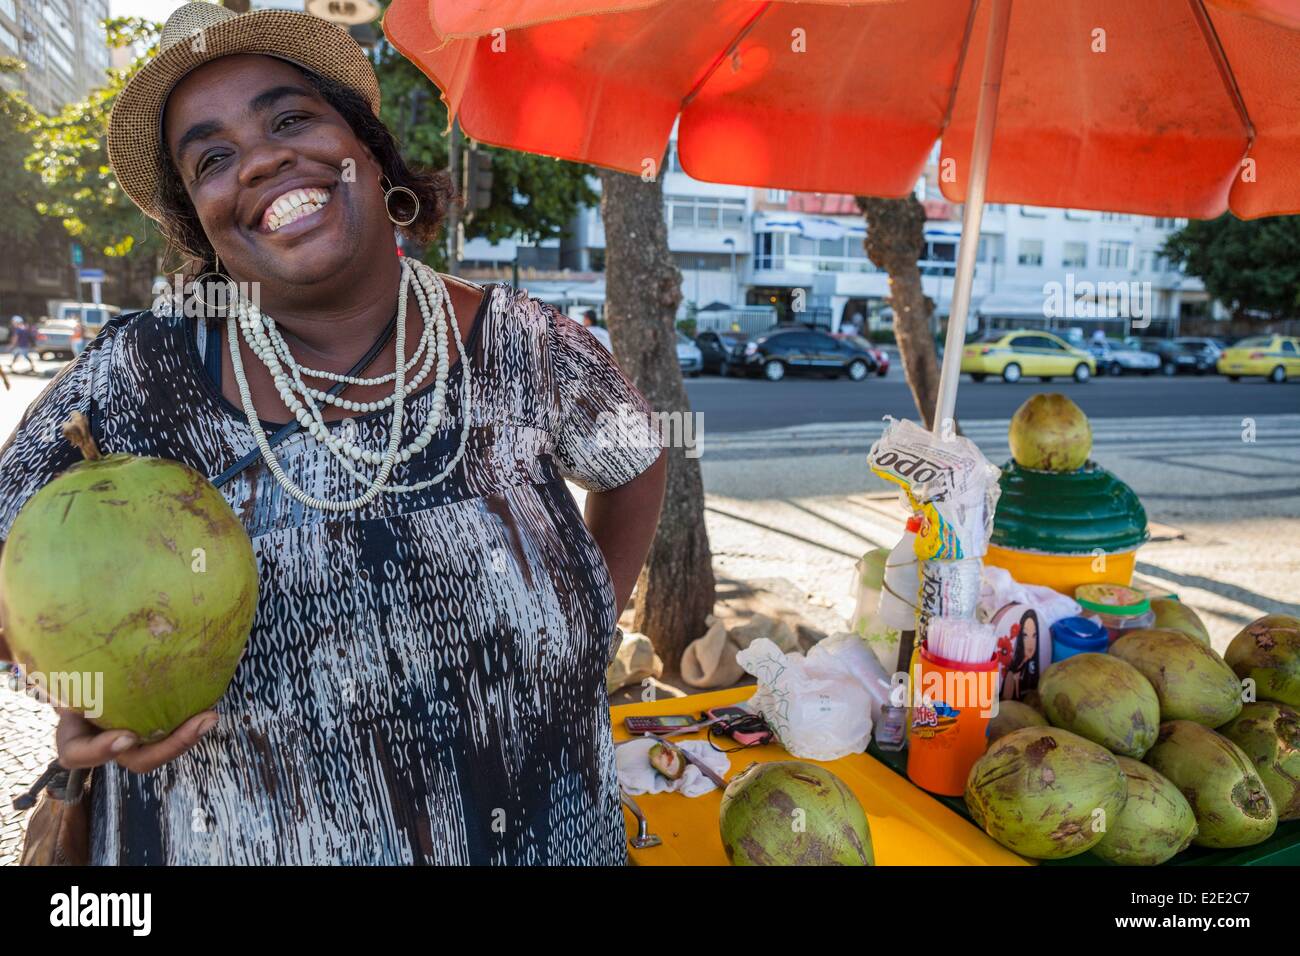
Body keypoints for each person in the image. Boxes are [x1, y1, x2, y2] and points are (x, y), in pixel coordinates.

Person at [0, 2, 666, 865]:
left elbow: (636, 462)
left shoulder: (525, 348)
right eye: (213, 158)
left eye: (289, 118)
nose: (264, 159)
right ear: (197, 219)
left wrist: (584, 624)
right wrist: (79, 685)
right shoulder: (138, 376)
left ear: (366, 149)